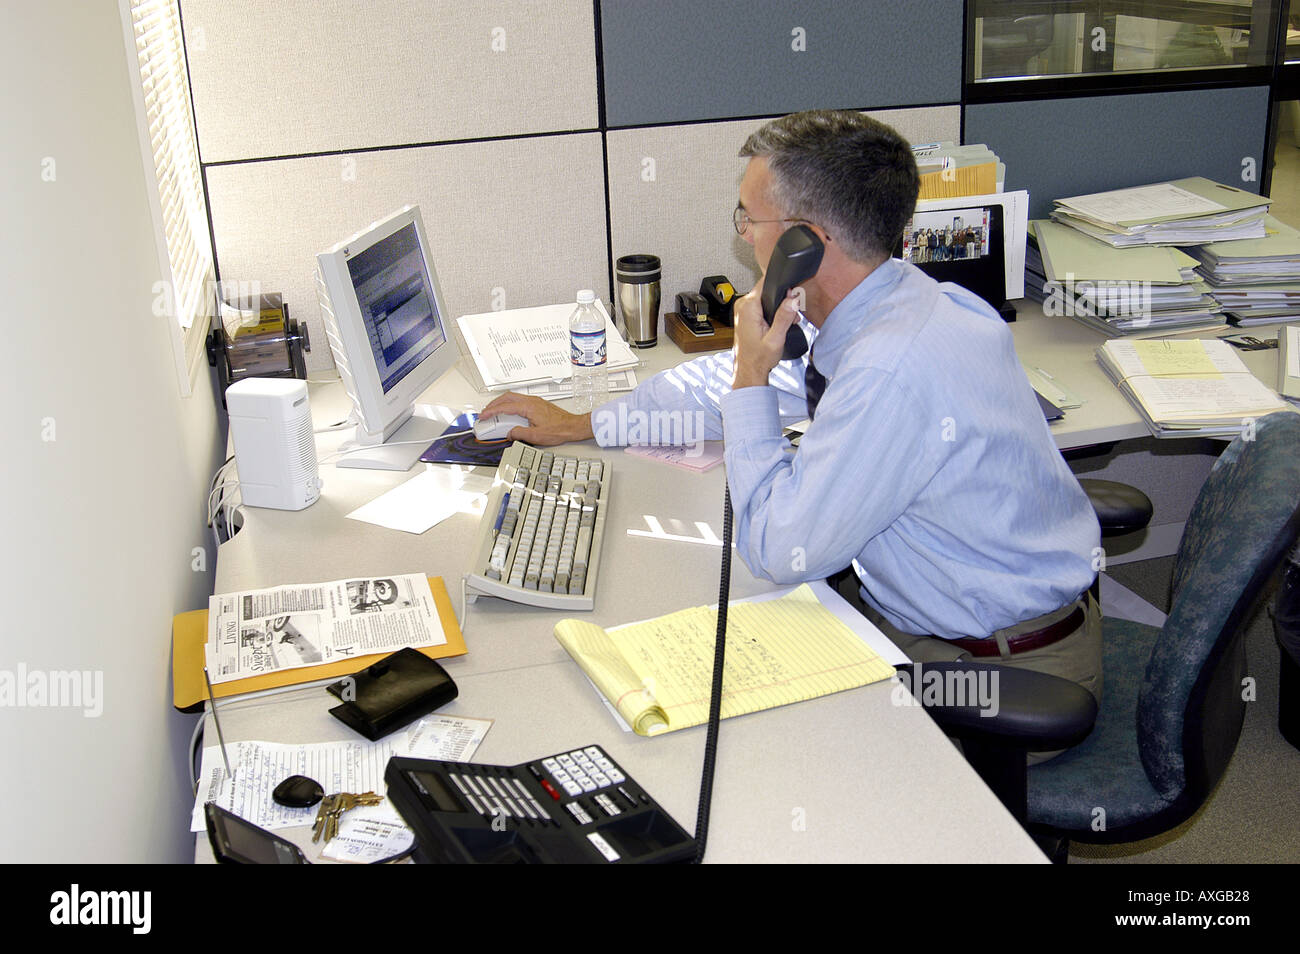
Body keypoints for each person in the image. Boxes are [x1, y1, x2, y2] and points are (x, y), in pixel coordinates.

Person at [481, 109, 1102, 704]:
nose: (742, 234)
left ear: (805, 243)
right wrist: (585, 423)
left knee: (717, 720)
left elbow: (778, 551)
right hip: (936, 621)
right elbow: (714, 391)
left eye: (749, 217)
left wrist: (752, 372)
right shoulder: (900, 302)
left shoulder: (888, 371)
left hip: (992, 673)